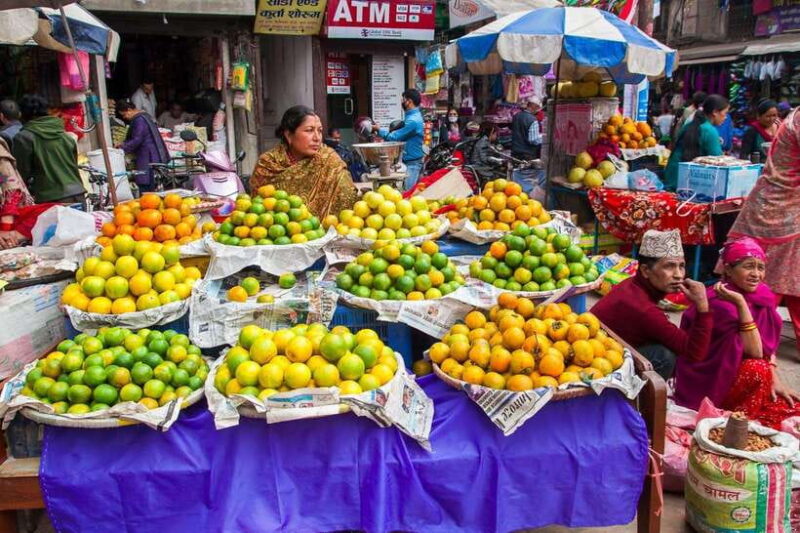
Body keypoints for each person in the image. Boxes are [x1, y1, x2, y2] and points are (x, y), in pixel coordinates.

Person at [677, 238, 800, 428]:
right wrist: (741, 304)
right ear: (727, 269)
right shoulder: (721, 303)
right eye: (749, 266)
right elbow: (756, 352)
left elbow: (768, 345)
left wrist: (774, 379)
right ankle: (739, 420)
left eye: (761, 267)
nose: (756, 274)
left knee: (790, 405)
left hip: (743, 372)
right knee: (757, 369)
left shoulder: (762, 296)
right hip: (712, 380)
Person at [591, 229, 713, 379]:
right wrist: (702, 306)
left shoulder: (632, 284)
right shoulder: (645, 310)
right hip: (598, 364)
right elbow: (695, 353)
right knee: (664, 356)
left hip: (604, 350)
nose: (679, 275)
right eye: (669, 266)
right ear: (645, 270)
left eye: (681, 266)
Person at [729, 107, 800, 357]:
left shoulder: (793, 116)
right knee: (767, 282)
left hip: (778, 207)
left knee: (784, 279)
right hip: (782, 212)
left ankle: (753, 340)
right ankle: (752, 342)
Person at [250, 105, 358, 218]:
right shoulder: (268, 164)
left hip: (330, 232)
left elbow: (348, 198)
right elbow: (258, 212)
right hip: (279, 232)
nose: (317, 138)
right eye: (309, 130)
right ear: (289, 135)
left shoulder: (329, 159)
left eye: (320, 131)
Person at [13, 95, 84, 203]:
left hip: (51, 198)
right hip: (78, 193)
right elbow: (73, 164)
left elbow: (21, 172)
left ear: (21, 114)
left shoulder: (23, 138)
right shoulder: (66, 136)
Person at [664, 94, 729, 190]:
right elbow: (718, 161)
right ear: (715, 112)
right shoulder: (709, 131)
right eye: (725, 113)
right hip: (690, 185)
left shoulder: (689, 125)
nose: (726, 117)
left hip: (672, 178)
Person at [373, 89, 425, 190]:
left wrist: (379, 130)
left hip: (412, 163)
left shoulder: (413, 120)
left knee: (406, 193)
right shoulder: (411, 116)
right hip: (408, 161)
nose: (402, 102)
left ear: (409, 101)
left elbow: (394, 137)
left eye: (403, 99)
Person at [116, 99, 170, 193]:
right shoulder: (144, 117)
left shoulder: (139, 120)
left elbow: (137, 139)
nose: (125, 117)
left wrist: (121, 148)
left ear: (129, 110)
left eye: (124, 114)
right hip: (151, 154)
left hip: (148, 156)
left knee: (147, 184)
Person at [511, 96, 543, 161]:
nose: (538, 110)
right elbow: (533, 140)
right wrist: (543, 139)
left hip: (515, 152)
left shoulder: (516, 116)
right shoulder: (533, 120)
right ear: (534, 106)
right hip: (527, 154)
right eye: (538, 108)